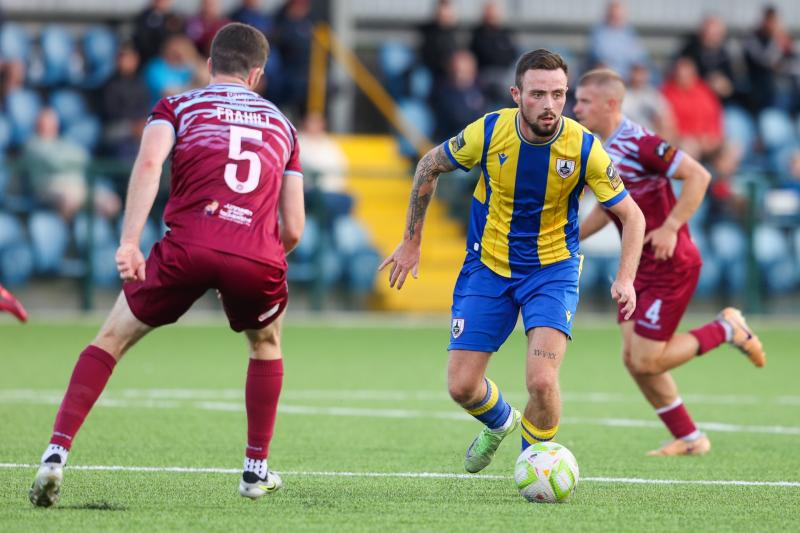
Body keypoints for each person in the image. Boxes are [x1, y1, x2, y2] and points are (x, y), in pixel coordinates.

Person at [29, 22, 305, 507]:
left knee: (111, 338)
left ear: (209, 65)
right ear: (257, 74)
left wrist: (130, 242)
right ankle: (254, 469)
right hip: (256, 256)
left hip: (188, 246)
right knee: (266, 344)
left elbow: (151, 163)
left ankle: (55, 454)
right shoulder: (284, 126)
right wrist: (251, 262)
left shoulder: (178, 105)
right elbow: (296, 227)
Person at [379, 49, 645, 473]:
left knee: (541, 381)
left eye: (559, 94)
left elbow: (632, 214)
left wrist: (626, 277)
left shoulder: (583, 146)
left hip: (552, 271)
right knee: (462, 386)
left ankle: (533, 465)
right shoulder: (489, 130)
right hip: (488, 267)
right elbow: (429, 164)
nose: (550, 105)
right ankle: (500, 422)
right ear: (516, 94)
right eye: (538, 94)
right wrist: (412, 241)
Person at [573, 68, 766, 456]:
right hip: (638, 265)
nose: (574, 108)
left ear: (610, 104)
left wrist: (673, 225)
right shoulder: (597, 146)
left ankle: (726, 329)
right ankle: (691, 437)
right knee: (633, 360)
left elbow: (699, 175)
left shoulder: (640, 142)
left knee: (646, 360)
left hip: (670, 263)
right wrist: (568, 237)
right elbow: (610, 210)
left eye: (583, 101)